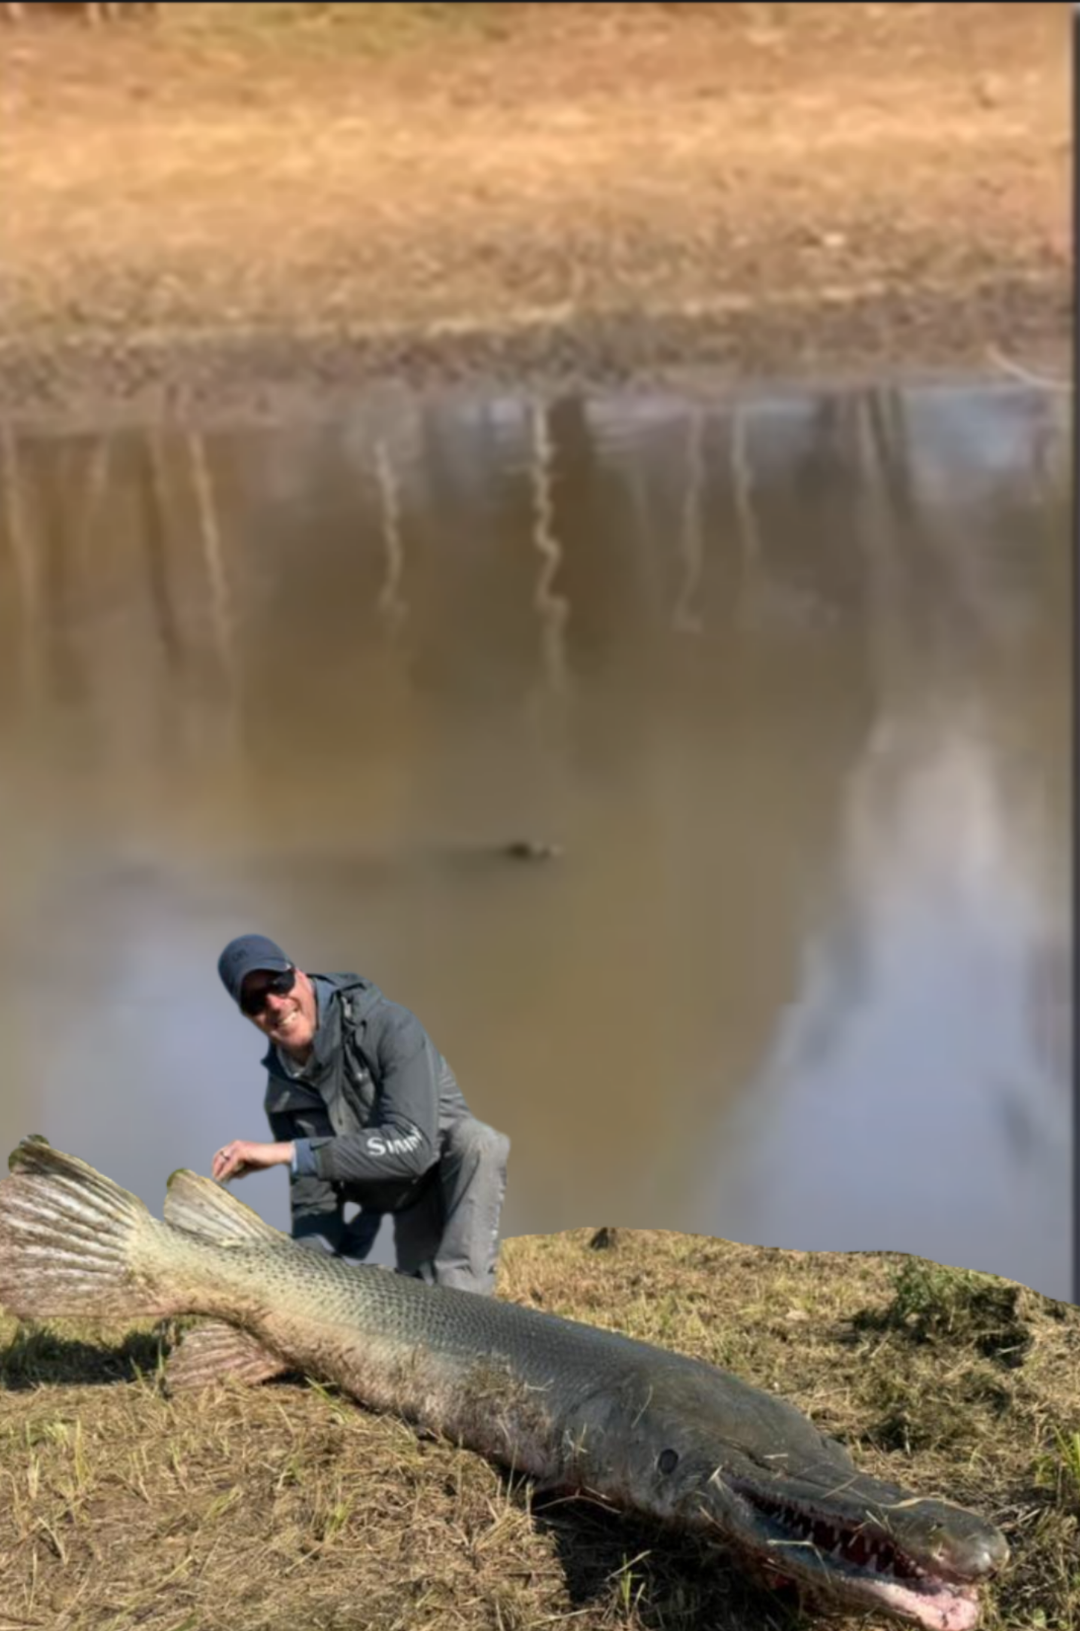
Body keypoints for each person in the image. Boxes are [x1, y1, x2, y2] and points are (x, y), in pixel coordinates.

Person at [211, 933, 510, 1296]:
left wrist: (288, 1153)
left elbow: (413, 1149)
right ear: (249, 1016)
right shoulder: (282, 1096)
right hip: (379, 1211)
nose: (275, 1003)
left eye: (279, 983)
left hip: (442, 1186)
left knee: (479, 1143)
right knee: (318, 1278)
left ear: (300, 976)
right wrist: (304, 1277)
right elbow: (314, 1202)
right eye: (255, 1001)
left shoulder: (390, 1026)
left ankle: (468, 1305)